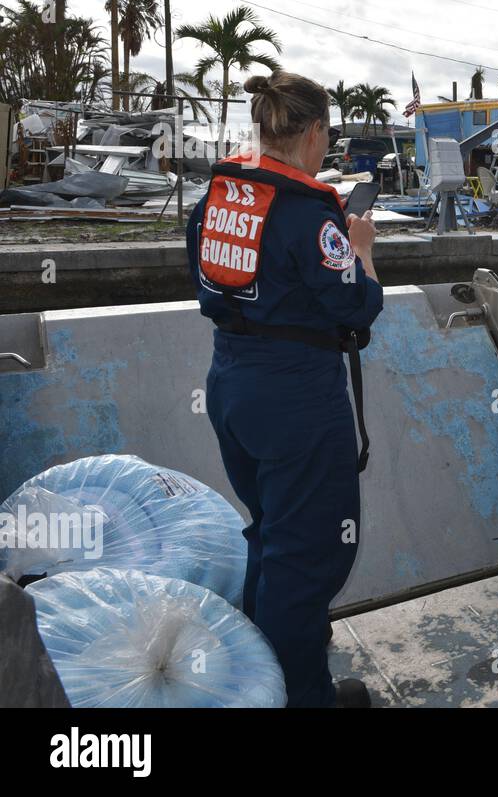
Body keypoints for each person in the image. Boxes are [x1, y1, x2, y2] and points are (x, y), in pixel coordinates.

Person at [185, 71, 383, 707]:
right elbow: (355, 307)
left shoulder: (218, 196)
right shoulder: (308, 212)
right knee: (310, 557)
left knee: (270, 531)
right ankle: (301, 697)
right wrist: (362, 248)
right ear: (316, 132)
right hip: (296, 402)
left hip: (231, 388)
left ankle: (257, 675)